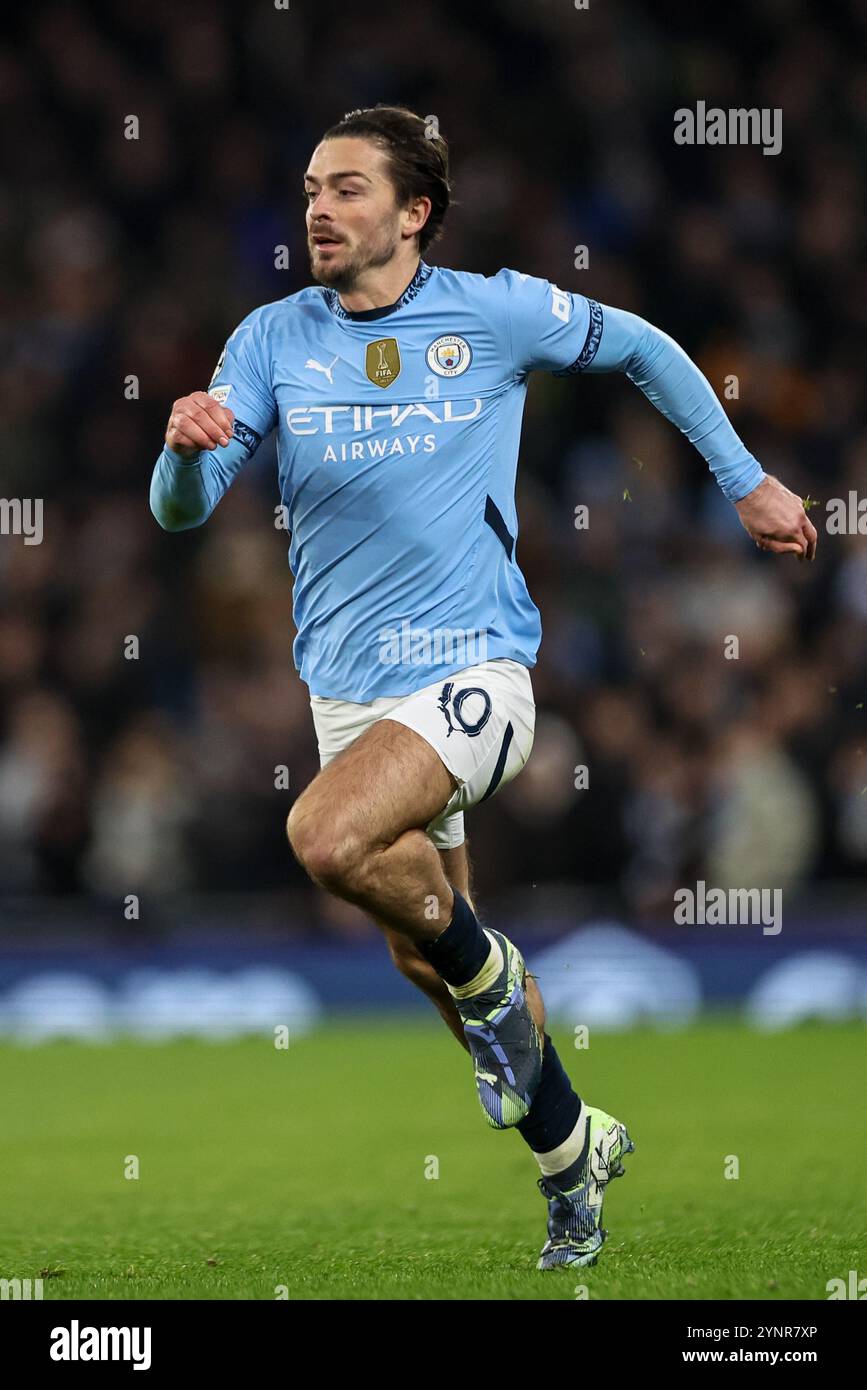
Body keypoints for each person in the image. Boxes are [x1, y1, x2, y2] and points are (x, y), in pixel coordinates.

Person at [150, 104, 817, 1269]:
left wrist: (747, 481)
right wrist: (181, 448)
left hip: (476, 671)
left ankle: (501, 980)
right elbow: (185, 510)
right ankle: (574, 1155)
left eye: (349, 188)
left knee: (324, 837)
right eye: (311, 186)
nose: (319, 206)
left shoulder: (497, 311)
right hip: (350, 695)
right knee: (427, 956)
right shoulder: (269, 340)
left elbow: (648, 348)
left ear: (414, 213)